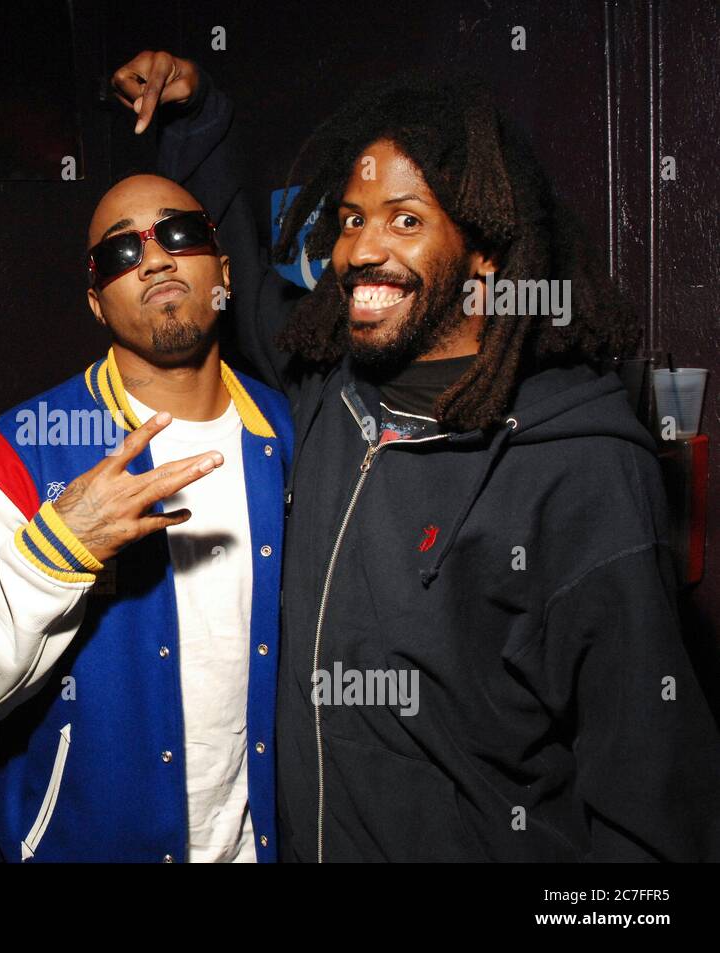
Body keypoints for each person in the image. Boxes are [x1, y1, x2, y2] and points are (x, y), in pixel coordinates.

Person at [111, 50, 720, 861]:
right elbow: (247, 283)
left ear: (485, 251)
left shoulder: (580, 468)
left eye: (406, 220)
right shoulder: (328, 384)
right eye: (353, 218)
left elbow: (654, 812)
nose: (363, 249)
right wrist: (197, 117)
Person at [0, 173, 293, 862]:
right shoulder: (23, 447)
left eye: (179, 233)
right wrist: (55, 551)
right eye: (120, 253)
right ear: (96, 302)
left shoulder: (290, 434)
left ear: (226, 273)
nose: (154, 259)